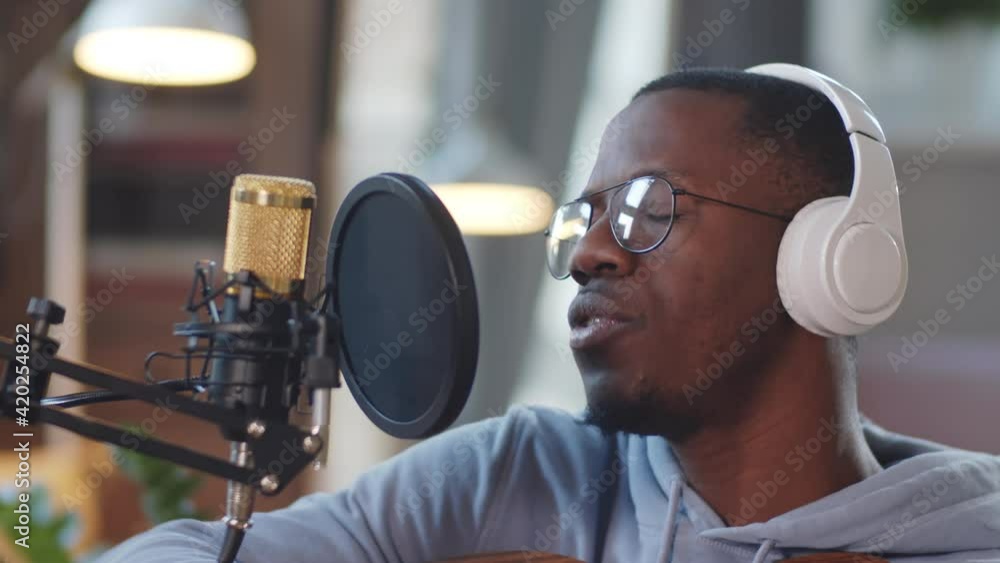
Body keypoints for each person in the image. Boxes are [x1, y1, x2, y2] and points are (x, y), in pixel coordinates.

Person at [98, 67, 1000, 563]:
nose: (588, 254)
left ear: (825, 258)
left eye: (651, 206)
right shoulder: (521, 473)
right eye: (586, 216)